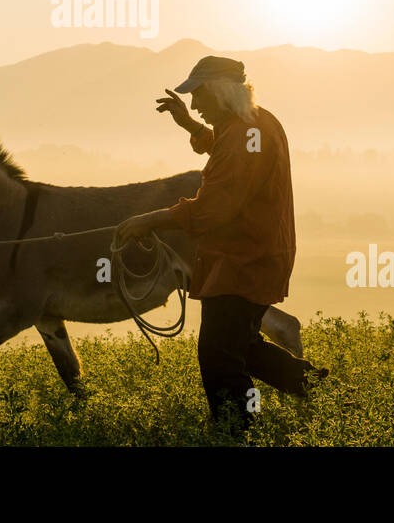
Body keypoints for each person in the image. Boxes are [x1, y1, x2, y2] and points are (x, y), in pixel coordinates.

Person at [116, 55, 327, 435]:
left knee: (219, 359)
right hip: (249, 258)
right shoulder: (254, 125)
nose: (195, 104)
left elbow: (214, 208)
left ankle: (239, 431)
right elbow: (229, 152)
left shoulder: (245, 134)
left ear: (220, 91)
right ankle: (321, 392)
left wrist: (149, 220)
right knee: (241, 347)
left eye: (199, 96)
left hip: (243, 263)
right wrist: (191, 126)